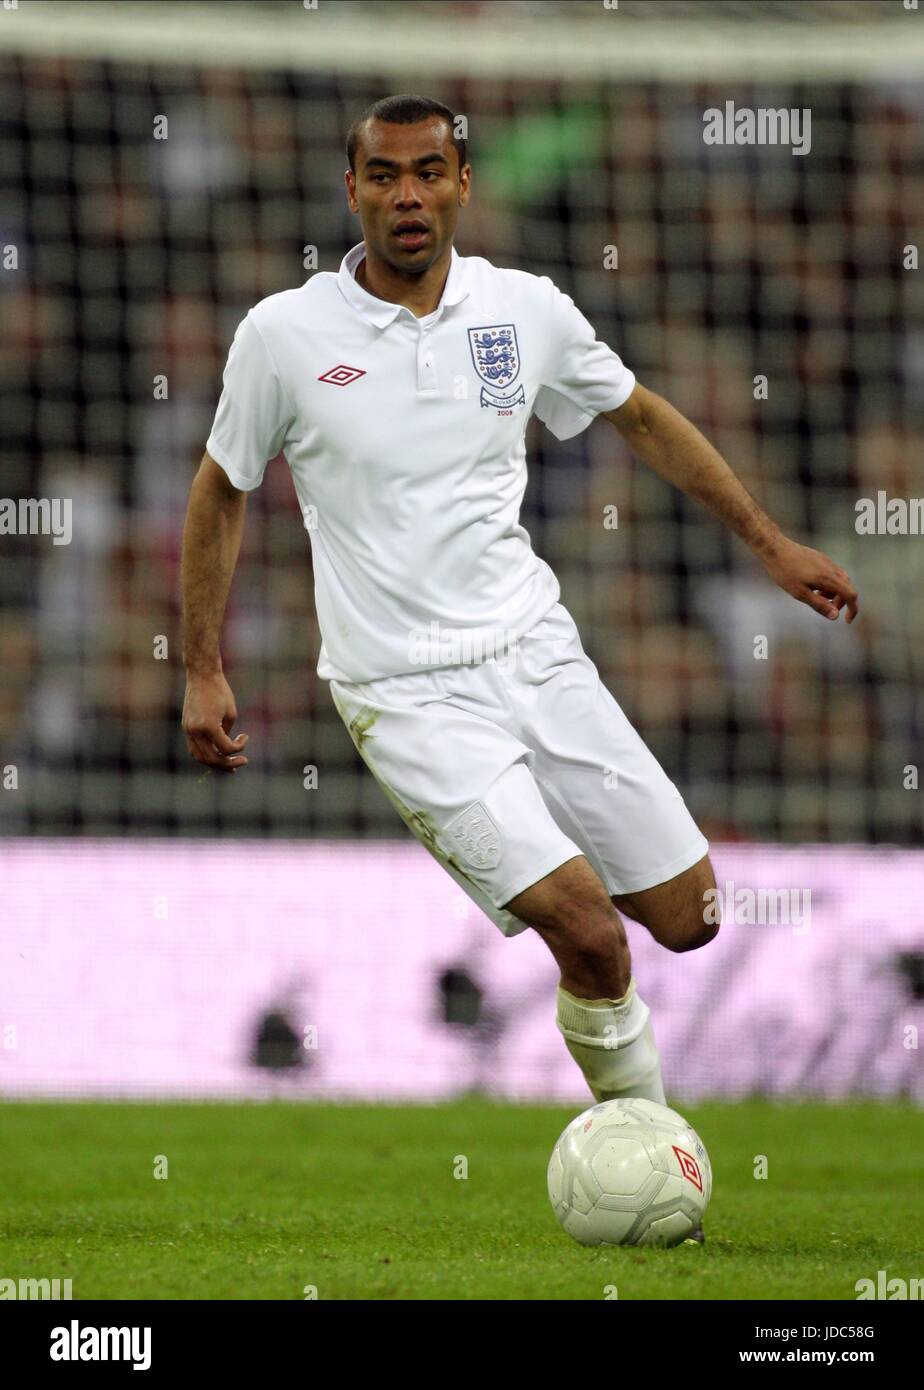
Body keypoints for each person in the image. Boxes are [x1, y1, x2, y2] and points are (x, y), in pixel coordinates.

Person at [181, 97, 859, 1224]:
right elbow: (221, 492)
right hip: (404, 690)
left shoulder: (524, 311)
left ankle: (635, 1114)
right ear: (351, 190)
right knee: (588, 931)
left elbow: (639, 416)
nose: (408, 195)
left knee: (689, 917)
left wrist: (771, 543)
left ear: (461, 185)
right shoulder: (284, 338)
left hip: (537, 652)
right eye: (386, 176)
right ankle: (658, 1158)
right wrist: (201, 664)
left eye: (430, 173)